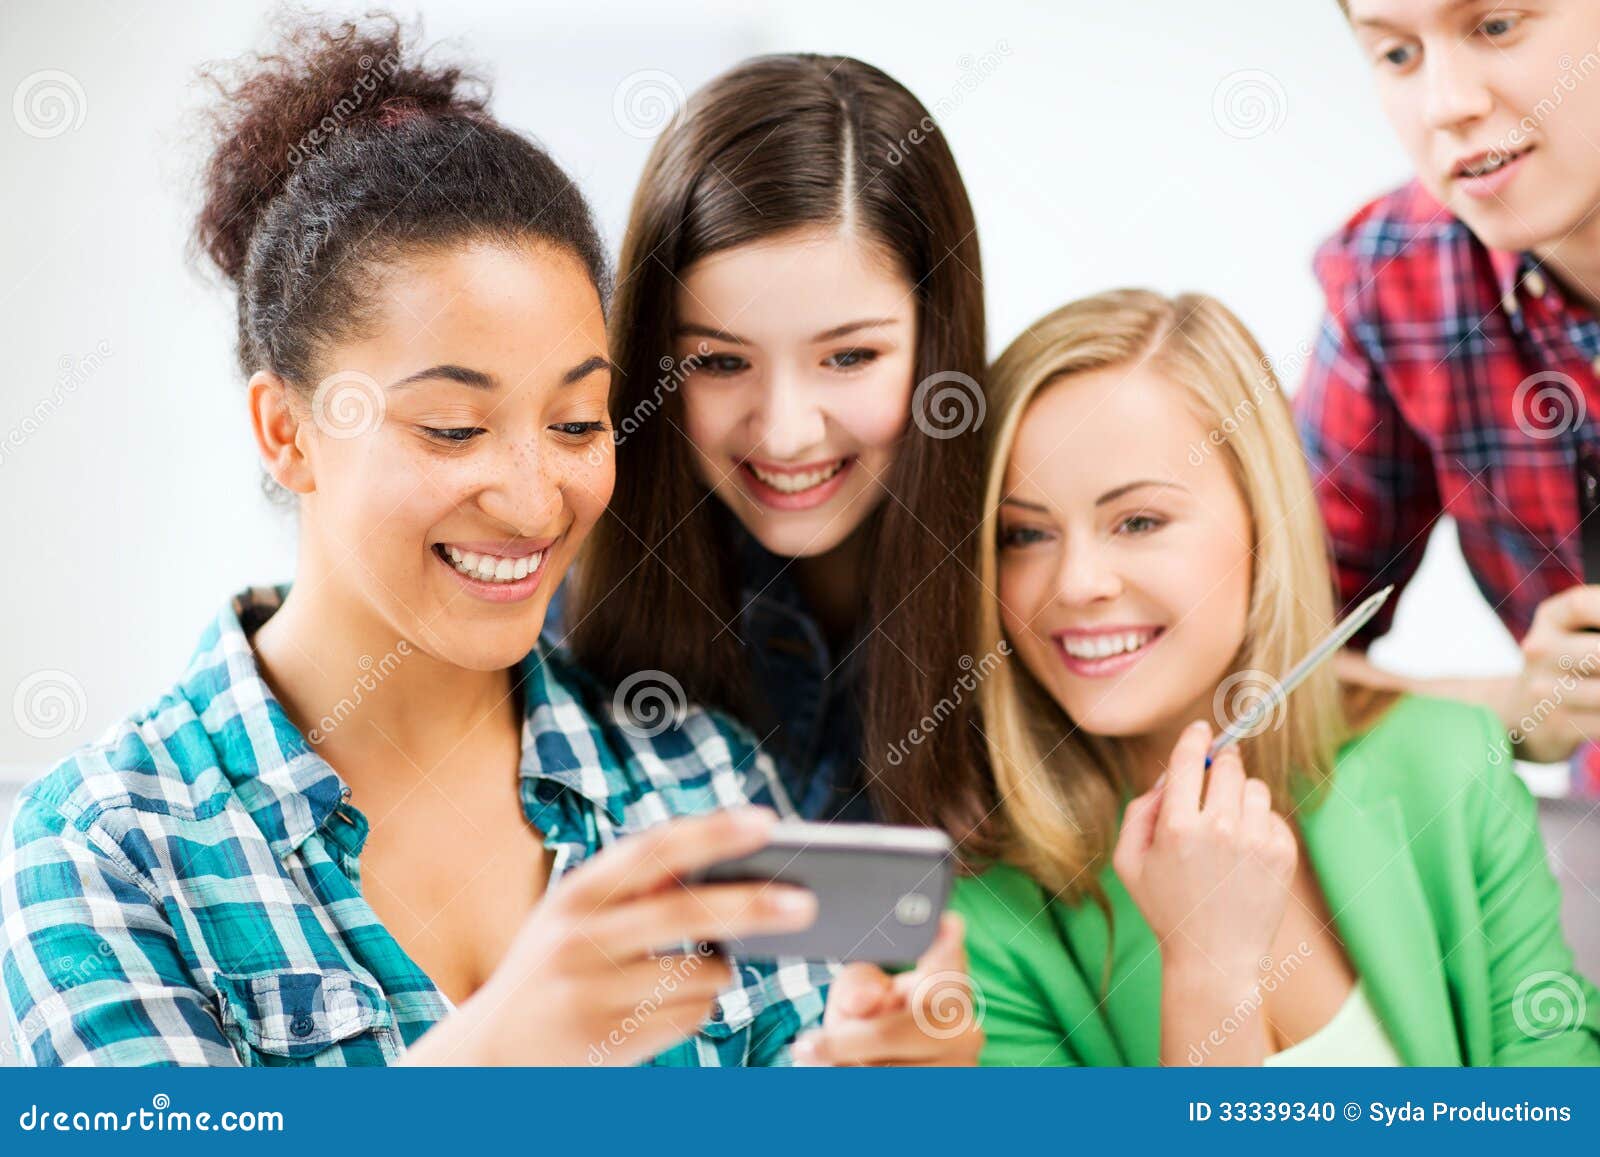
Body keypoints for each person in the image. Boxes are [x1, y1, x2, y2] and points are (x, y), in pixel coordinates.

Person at [1, 15, 845, 1068]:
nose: (537, 504)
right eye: (451, 427)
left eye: (578, 423)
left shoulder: (702, 782)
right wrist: (497, 1055)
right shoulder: (112, 843)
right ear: (287, 430)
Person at [946, 289, 1600, 1065]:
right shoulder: (981, 924)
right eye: (1025, 533)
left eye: (1139, 521)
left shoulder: (1452, 769)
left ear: (1265, 519)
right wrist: (1207, 970)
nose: (1077, 581)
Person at [1301, 0, 1600, 792]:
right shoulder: (1397, 284)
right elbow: (1270, 669)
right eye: (1398, 54)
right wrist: (1511, 706)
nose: (1445, 105)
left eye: (1496, 25)